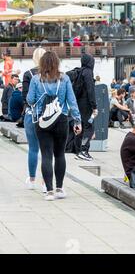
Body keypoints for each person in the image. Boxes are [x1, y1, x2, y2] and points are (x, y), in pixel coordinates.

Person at [27, 51, 82, 201]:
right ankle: (59, 188)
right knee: (59, 154)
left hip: (42, 121)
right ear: (57, 63)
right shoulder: (64, 79)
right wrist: (77, 120)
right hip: (61, 120)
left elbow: (30, 99)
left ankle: (49, 191)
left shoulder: (36, 80)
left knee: (46, 155)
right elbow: (72, 101)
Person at [22, 48, 46, 192]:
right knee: (46, 150)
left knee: (33, 148)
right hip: (48, 116)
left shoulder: (28, 74)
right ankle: (45, 182)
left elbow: (26, 98)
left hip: (31, 114)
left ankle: (31, 180)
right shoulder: (52, 73)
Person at [75, 54, 98, 161]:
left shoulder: (80, 71)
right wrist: (94, 106)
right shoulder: (88, 72)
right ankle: (83, 151)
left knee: (83, 127)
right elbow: (90, 90)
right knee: (89, 127)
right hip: (86, 104)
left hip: (79, 103)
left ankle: (79, 151)